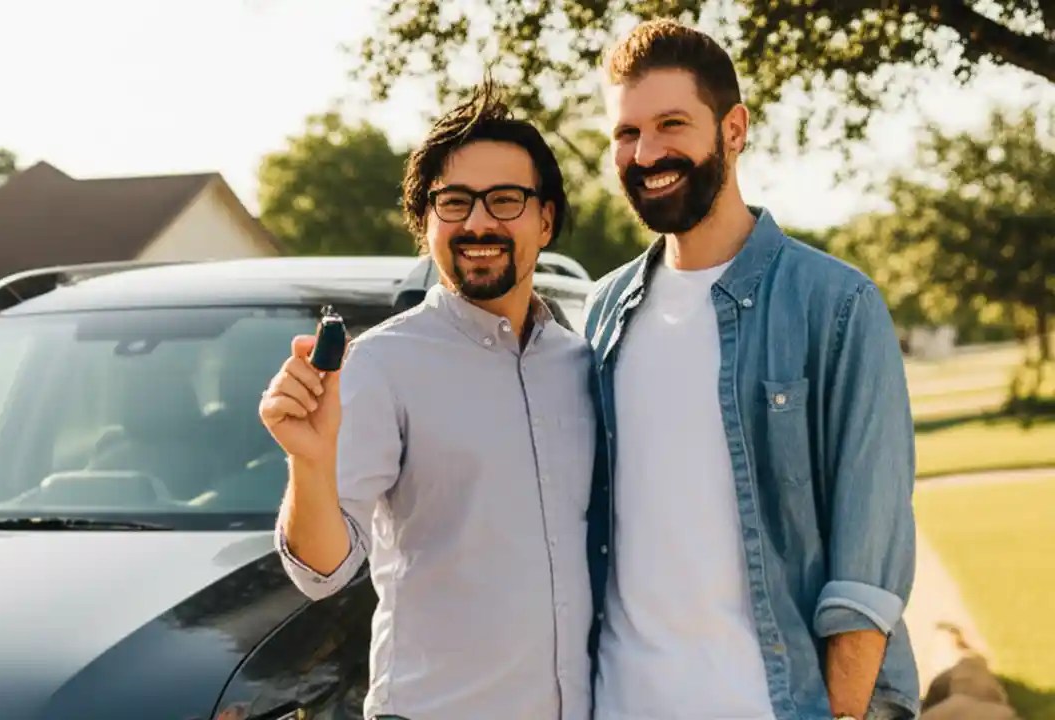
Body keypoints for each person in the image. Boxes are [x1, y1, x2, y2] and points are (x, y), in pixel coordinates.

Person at [582, 19, 920, 720]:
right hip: (620, 703)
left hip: (773, 704)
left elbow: (870, 561)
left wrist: (842, 711)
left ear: (733, 129)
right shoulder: (601, 313)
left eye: (672, 124)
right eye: (626, 132)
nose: (646, 153)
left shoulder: (835, 305)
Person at [258, 82, 596, 720]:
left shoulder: (581, 364)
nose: (478, 223)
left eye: (505, 200)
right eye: (454, 202)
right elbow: (321, 572)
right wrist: (309, 460)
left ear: (545, 219)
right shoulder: (380, 364)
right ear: (426, 223)